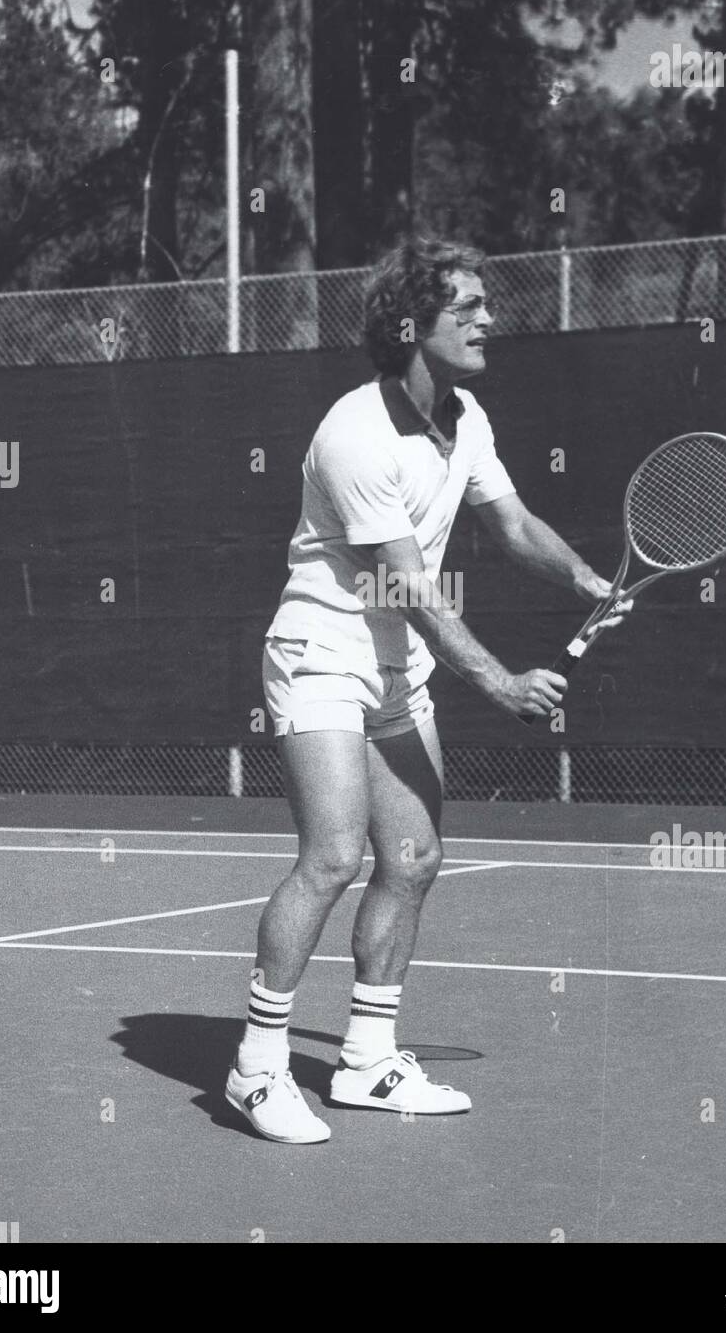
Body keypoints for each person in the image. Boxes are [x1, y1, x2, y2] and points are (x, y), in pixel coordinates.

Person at [225, 235, 628, 1143]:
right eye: (468, 308)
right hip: (322, 654)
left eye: (487, 304)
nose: (490, 319)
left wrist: (587, 582)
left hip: (397, 673)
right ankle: (256, 1068)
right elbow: (404, 587)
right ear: (409, 326)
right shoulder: (355, 434)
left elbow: (515, 524)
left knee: (410, 860)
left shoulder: (467, 417)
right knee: (331, 856)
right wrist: (497, 679)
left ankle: (366, 1062)